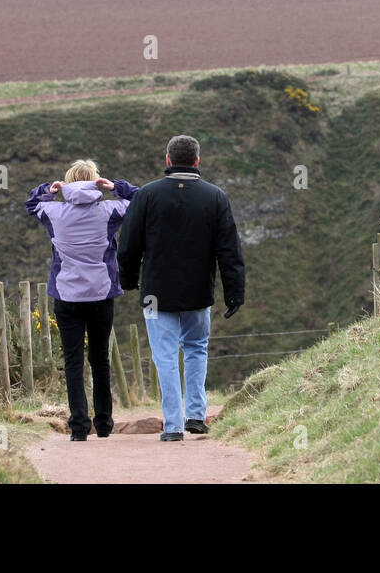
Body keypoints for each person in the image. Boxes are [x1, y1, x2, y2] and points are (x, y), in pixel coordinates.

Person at [117, 135, 244, 441]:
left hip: (154, 293)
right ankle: (197, 416)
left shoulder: (146, 195)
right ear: (197, 161)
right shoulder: (216, 197)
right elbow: (229, 251)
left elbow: (128, 245)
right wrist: (234, 293)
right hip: (198, 291)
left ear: (168, 159)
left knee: (164, 355)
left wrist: (128, 279)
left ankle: (172, 426)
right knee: (197, 349)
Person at [25, 160, 137, 440]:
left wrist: (48, 191)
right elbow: (141, 200)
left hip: (67, 295)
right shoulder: (111, 210)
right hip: (101, 294)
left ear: (67, 182)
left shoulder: (53, 211)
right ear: (96, 181)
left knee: (73, 361)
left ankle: (78, 427)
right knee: (100, 359)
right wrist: (117, 187)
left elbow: (31, 204)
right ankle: (105, 424)